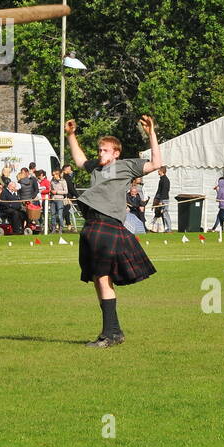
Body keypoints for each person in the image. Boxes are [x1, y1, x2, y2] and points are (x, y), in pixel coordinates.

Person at [65, 116, 160, 348]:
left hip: (107, 225)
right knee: (98, 279)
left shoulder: (126, 165)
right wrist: (70, 135)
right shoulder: (97, 168)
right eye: (99, 150)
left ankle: (110, 334)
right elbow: (79, 160)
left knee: (104, 278)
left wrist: (151, 133)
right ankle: (113, 332)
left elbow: (156, 164)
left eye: (105, 150)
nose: (101, 153)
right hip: (91, 226)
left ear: (116, 153)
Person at [151, 166, 171, 233]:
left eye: (158, 170)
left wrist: (161, 201)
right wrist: (155, 199)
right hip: (160, 199)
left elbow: (164, 191)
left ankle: (169, 229)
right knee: (160, 214)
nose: (157, 171)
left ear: (162, 171)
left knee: (165, 214)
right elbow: (159, 190)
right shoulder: (161, 179)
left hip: (164, 199)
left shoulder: (165, 180)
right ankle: (163, 228)